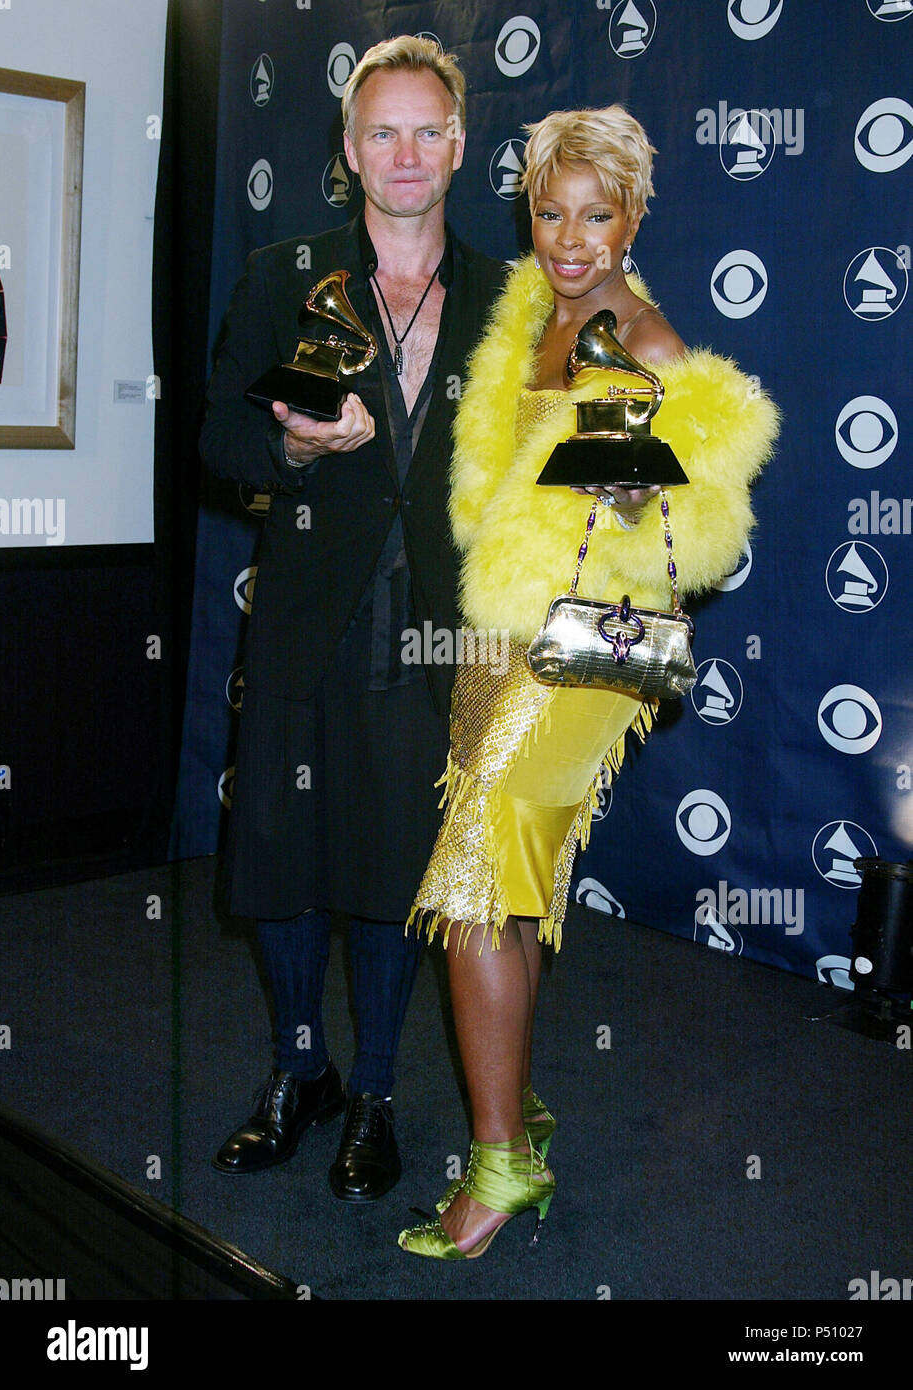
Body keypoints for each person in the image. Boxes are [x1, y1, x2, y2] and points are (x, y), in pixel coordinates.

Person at [397, 106, 780, 1257]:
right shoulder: (532, 308)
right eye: (551, 210)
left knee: (470, 890)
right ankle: (513, 1103)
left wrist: (643, 498)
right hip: (499, 626)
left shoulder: (642, 337)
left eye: (596, 215)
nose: (570, 238)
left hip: (580, 643)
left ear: (634, 215)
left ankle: (502, 1165)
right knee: (505, 881)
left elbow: (708, 523)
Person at [199, 37, 504, 1201]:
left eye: (429, 130)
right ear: (348, 148)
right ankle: (298, 1071)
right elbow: (218, 435)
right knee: (280, 859)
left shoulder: (502, 298)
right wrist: (286, 446)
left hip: (432, 629)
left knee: (390, 869)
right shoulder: (286, 276)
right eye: (384, 131)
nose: (407, 153)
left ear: (461, 145)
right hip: (306, 618)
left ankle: (373, 1091)